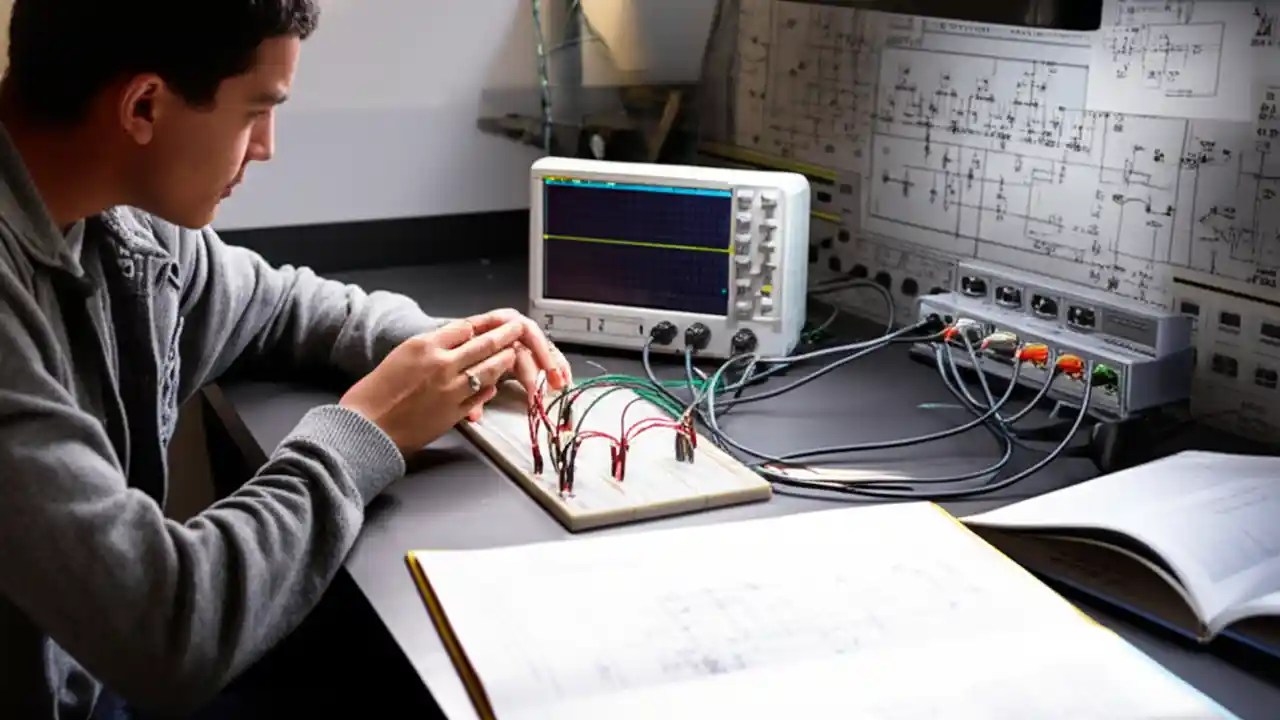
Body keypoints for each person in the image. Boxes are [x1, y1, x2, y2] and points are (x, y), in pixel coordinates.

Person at [0, 2, 573, 718]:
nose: (267, 146)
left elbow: (281, 305)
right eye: (256, 111)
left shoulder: (120, 221)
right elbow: (167, 630)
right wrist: (364, 430)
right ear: (144, 105)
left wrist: (457, 349)